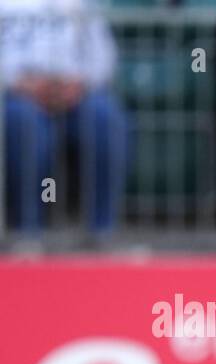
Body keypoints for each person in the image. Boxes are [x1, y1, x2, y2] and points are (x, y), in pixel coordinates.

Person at [1, 0, 129, 241]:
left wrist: (79, 83)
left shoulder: (81, 4)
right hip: (17, 95)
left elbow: (104, 58)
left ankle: (101, 230)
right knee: (22, 122)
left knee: (105, 116)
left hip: (77, 95)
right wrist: (20, 83)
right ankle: (27, 232)